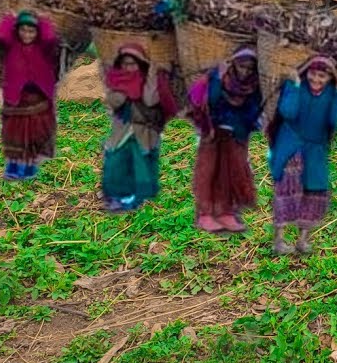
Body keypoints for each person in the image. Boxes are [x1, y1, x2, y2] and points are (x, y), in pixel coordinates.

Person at [268, 56, 337, 255]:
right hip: (292, 145)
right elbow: (288, 112)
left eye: (322, 76)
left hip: (315, 149)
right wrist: (295, 86)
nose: (316, 80)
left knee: (314, 194)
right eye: (312, 74)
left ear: (330, 78)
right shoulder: (295, 86)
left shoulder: (333, 93)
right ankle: (278, 240)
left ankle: (302, 241)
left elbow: (335, 121)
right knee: (287, 191)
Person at [188, 47, 263, 234]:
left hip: (236, 136)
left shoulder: (254, 86)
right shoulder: (216, 80)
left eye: (249, 67)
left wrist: (243, 125)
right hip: (213, 134)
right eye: (242, 66)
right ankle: (205, 213)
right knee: (209, 172)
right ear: (233, 64)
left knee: (230, 173)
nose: (245, 71)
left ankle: (225, 212)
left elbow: (255, 112)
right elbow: (196, 102)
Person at [100, 44, 178, 212]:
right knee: (116, 163)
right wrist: (125, 87)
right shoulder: (116, 81)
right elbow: (114, 102)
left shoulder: (148, 82)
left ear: (141, 65)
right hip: (122, 131)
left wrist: (151, 73)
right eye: (125, 64)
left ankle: (136, 198)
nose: (129, 68)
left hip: (143, 131)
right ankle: (116, 196)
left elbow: (150, 100)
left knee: (140, 165)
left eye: (133, 64)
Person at [0, 11, 59, 181]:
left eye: (31, 31)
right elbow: (1, 33)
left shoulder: (42, 48)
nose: (27, 35)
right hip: (16, 99)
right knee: (14, 132)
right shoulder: (12, 46)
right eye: (23, 30)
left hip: (38, 97)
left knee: (33, 132)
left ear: (37, 33)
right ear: (17, 31)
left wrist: (41, 17)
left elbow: (50, 36)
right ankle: (13, 165)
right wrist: (11, 18)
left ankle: (29, 166)